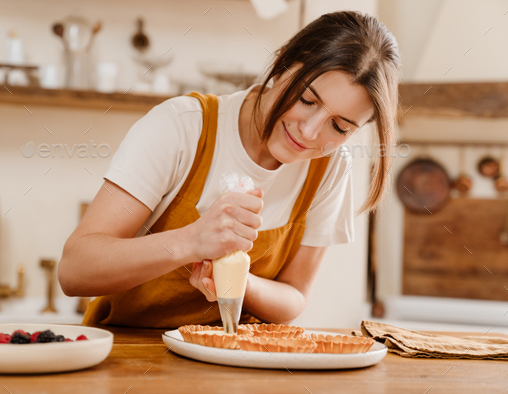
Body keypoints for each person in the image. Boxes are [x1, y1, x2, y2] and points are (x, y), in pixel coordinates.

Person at [58, 10, 401, 328]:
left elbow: (295, 296)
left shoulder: (329, 169)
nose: (310, 132)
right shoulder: (183, 126)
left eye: (339, 127)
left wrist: (236, 278)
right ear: (282, 64)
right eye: (307, 100)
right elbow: (75, 270)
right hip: (129, 361)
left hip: (236, 365)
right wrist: (190, 242)